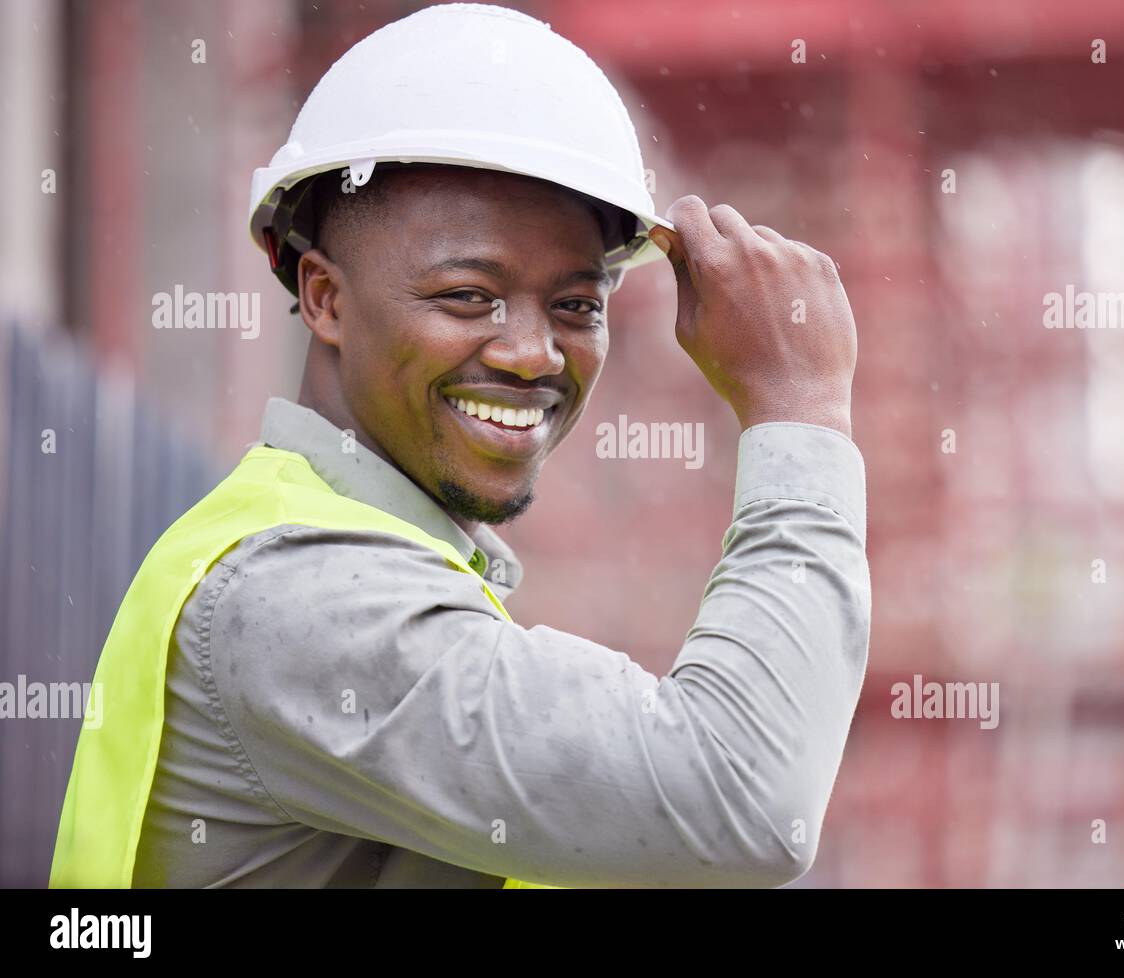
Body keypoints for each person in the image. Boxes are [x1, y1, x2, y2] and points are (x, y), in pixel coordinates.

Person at [50, 3, 869, 889]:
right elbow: (741, 803)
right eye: (468, 296)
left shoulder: (376, 568)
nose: (532, 353)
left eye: (576, 306)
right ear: (324, 299)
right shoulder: (306, 600)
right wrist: (800, 408)